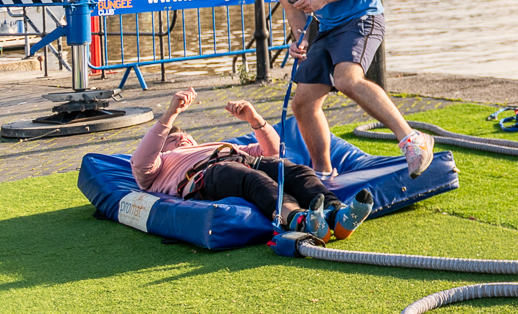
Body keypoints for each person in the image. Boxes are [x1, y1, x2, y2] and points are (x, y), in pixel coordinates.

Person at [249, 0, 433, 181]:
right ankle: (323, 174)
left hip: (362, 16)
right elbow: (291, 8)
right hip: (327, 27)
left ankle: (412, 139)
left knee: (347, 79)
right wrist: (300, 40)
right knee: (302, 104)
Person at [130, 88, 373, 240]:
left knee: (294, 170)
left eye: (186, 136)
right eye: (174, 140)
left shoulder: (218, 145)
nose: (182, 138)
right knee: (252, 179)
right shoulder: (160, 165)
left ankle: (337, 214)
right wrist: (171, 114)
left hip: (240, 159)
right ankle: (297, 219)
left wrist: (253, 118)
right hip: (206, 175)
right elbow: (141, 162)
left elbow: (272, 151)